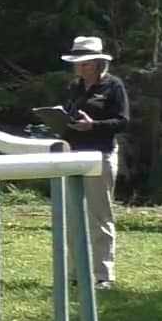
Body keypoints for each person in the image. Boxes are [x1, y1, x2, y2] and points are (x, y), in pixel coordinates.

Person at [58, 35, 129, 288]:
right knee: (72, 216)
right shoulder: (73, 87)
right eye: (77, 63)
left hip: (100, 156)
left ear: (99, 63)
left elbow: (122, 121)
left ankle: (103, 275)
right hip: (72, 155)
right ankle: (75, 273)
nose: (80, 68)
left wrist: (93, 126)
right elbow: (67, 117)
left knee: (99, 216)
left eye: (86, 63)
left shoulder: (113, 86)